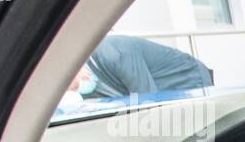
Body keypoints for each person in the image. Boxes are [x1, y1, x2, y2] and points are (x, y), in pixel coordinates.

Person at [78, 35, 214, 99]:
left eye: (71, 85)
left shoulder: (114, 52)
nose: (74, 89)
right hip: (160, 92)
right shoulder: (89, 82)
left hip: (187, 76)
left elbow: (146, 96)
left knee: (200, 134)